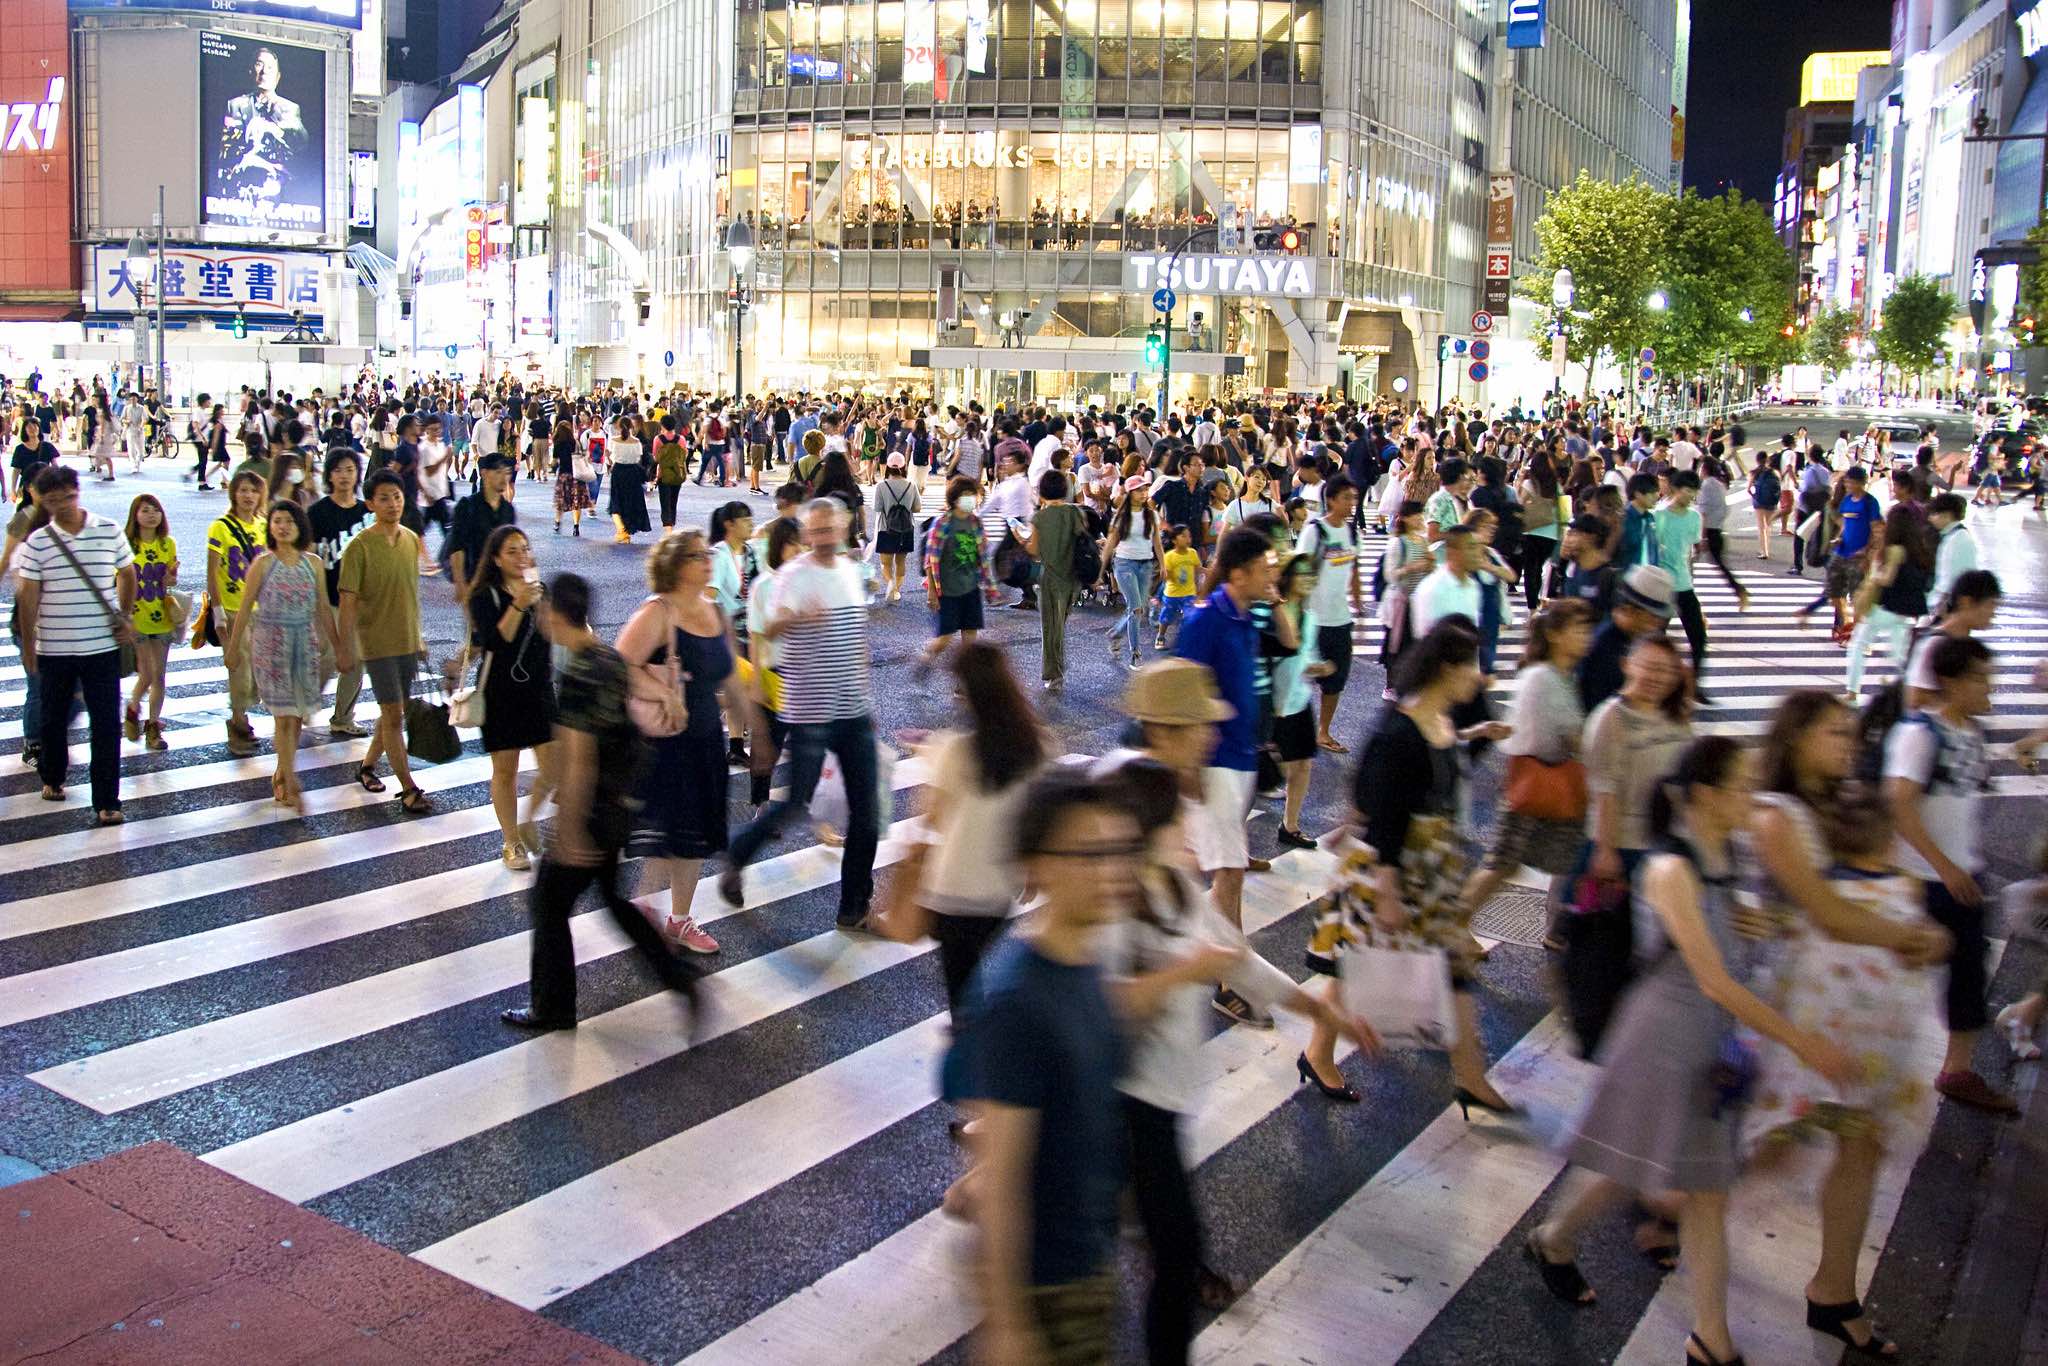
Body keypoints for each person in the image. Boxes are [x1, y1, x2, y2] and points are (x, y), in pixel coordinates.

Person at [1526, 737, 1855, 1366]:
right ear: (1704, 795)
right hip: (1665, 1037)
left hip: (1711, 1038)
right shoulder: (1671, 868)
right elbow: (1711, 977)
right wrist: (1802, 1043)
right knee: (1632, 1163)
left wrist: (1755, 925)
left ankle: (1709, 1335)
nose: (1750, 797)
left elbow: (1725, 948)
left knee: (1699, 1185)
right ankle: (1557, 1241)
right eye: (1740, 785)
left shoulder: (1724, 853)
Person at [1096, 750, 1376, 1363]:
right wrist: (1184, 973)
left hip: (1158, 1101)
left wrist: (1320, 1011)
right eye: (1179, 821)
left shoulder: (1171, 887)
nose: (1191, 833)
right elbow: (1109, 1009)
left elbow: (1235, 957)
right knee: (1161, 1246)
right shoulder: (1113, 907)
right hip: (1126, 1103)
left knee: (1137, 1224)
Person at [955, 768, 1139, 1366]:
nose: (1113, 871)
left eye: (1118, 851)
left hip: (1088, 1260)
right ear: (1037, 865)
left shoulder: (1083, 960)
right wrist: (1009, 1323)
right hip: (1049, 1287)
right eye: (1090, 855)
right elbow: (1000, 1179)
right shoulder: (1018, 999)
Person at [1302, 616, 1514, 1110]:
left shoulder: (1438, 722)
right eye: (1472, 667)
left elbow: (1429, 773)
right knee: (1353, 968)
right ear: (1447, 668)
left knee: (1443, 966)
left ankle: (1469, 1075)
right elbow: (1386, 816)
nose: (1478, 677)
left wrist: (1478, 732)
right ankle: (1319, 1052)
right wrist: (1390, 892)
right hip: (1394, 872)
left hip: (1429, 869)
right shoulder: (1402, 729)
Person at [501, 571, 702, 1032]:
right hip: (618, 804)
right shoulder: (607, 657)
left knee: (548, 904)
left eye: (541, 612)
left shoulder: (577, 674)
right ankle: (678, 976)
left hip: (591, 811)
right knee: (612, 899)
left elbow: (578, 760)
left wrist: (567, 827)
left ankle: (553, 1007)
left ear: (553, 615)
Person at [719, 499, 881, 930]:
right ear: (808, 533)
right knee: (797, 803)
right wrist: (790, 620)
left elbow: (858, 635)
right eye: (818, 529)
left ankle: (854, 906)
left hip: (852, 708)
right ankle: (739, 852)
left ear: (844, 529)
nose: (826, 536)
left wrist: (866, 695)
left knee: (867, 813)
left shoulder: (850, 570)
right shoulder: (792, 576)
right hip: (810, 706)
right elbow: (768, 630)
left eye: (833, 528)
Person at [874, 642, 1046, 1009]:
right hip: (1001, 890)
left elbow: (934, 815)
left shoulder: (955, 750)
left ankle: (973, 1049)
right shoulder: (1038, 747)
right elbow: (1040, 814)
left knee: (962, 985)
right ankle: (977, 1038)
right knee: (972, 972)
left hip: (951, 891)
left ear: (967, 694)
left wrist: (929, 753)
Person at [1885, 634, 2012, 1113]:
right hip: (1922, 881)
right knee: (1900, 974)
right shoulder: (1921, 733)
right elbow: (1898, 802)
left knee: (1967, 973)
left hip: (1960, 876)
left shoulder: (1968, 734)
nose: (1989, 688)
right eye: (1981, 679)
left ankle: (1956, 1071)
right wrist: (1943, 867)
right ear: (1951, 681)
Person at [1175, 528, 1276, 1026]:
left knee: (1224, 873)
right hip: (1212, 766)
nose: (1271, 573)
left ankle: (1213, 960)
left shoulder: (1245, 616)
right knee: (1228, 874)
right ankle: (1227, 981)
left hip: (1239, 761)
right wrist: (1189, 770)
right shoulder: (1207, 619)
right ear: (1239, 572)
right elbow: (1180, 693)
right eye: (1265, 566)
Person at [620, 531, 739, 953]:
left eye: (707, 554)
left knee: (694, 835)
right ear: (674, 565)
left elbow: (730, 674)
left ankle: (676, 919)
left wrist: (752, 728)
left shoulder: (715, 611)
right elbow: (619, 665)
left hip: (706, 740)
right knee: (669, 831)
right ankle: (648, 910)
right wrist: (664, 693)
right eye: (696, 556)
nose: (706, 561)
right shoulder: (658, 613)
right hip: (666, 744)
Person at [14, 465, 136, 825]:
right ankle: (52, 776)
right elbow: (28, 597)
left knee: (106, 724)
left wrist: (125, 614)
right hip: (55, 648)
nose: (61, 506)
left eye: (66, 497)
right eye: (52, 501)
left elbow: (127, 572)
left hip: (101, 647)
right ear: (43, 502)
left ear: (77, 492)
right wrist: (28, 643)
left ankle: (107, 800)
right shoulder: (37, 543)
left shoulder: (108, 531)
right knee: (52, 720)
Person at [1461, 599, 1594, 922]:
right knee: (1499, 864)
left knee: (1504, 864)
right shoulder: (1544, 678)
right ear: (1555, 635)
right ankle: (1449, 928)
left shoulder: (1559, 675)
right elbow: (1571, 736)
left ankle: (1453, 927)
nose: (1587, 635)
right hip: (1535, 783)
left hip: (1537, 781)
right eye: (1579, 629)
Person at [227, 499, 338, 812]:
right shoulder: (263, 563)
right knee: (283, 716)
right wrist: (234, 649)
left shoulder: (312, 563)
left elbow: (322, 608)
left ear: (299, 526)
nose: (283, 526)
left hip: (304, 643)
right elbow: (246, 607)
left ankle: (282, 772)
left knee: (297, 716)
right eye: (277, 520)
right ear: (270, 527)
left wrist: (337, 645)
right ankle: (291, 780)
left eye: (289, 520)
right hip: (271, 645)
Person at [464, 525, 557, 871]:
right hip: (502, 691)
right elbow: (496, 641)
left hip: (539, 688)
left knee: (553, 767)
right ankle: (511, 842)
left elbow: (549, 635)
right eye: (512, 551)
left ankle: (529, 821)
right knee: (506, 770)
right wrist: (518, 605)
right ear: (496, 559)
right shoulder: (484, 596)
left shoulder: (539, 589)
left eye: (525, 549)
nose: (522, 557)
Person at [337, 469, 430, 814]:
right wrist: (345, 647)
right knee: (392, 714)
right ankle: (408, 787)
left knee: (394, 711)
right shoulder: (358, 547)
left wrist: (418, 636)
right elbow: (347, 602)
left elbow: (411, 594)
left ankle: (366, 766)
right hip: (376, 644)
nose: (393, 504)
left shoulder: (409, 540)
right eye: (384, 498)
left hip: (406, 639)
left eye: (397, 496)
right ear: (370, 504)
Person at [1293, 474, 1360, 755]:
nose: (1351, 503)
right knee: (1296, 677)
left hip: (1340, 619)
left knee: (1335, 681)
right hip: (1313, 618)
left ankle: (1323, 732)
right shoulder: (1315, 532)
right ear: (1331, 500)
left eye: (1354, 498)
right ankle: (1283, 731)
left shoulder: (1352, 532)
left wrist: (1357, 597)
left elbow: (1354, 566)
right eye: (1346, 498)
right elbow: (1298, 572)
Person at [308, 449, 372, 738]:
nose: (345, 476)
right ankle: (307, 701)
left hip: (360, 598)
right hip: (328, 597)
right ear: (329, 475)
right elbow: (309, 556)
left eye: (350, 470)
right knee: (328, 654)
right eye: (339, 470)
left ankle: (343, 717)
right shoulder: (318, 512)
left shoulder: (366, 513)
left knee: (356, 658)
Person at [1267, 553, 1328, 847]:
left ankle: (1289, 826)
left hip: (1299, 701)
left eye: (1311, 575)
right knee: (1265, 772)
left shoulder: (1310, 617)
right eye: (1302, 573)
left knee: (1302, 765)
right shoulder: (1270, 612)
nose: (1308, 580)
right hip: (1272, 705)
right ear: (1288, 576)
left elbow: (1307, 656)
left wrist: (1318, 666)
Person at [208, 471, 269, 758]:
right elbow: (212, 573)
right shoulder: (220, 527)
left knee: (255, 669)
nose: (248, 496)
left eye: (253, 491)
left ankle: (241, 716)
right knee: (239, 669)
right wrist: (217, 610)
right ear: (233, 493)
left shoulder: (263, 524)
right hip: (233, 609)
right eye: (243, 490)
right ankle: (238, 722)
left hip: (259, 608)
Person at [1844, 503, 1933, 700]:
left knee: (1858, 644)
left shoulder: (1893, 549)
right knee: (1900, 654)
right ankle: (1913, 690)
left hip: (1883, 608)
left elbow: (1887, 579)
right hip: (1903, 610)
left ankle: (1852, 692)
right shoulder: (1916, 548)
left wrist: (1875, 574)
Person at [1576, 564, 1676, 713]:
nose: (1658, 625)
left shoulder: (1634, 639)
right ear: (1631, 611)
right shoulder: (1604, 650)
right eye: (1653, 618)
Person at [121, 493, 179, 751]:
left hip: (162, 616)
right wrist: (126, 616)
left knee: (160, 676)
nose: (152, 514)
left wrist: (170, 579)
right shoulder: (127, 546)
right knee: (147, 674)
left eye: (156, 510)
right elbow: (120, 582)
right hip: (138, 616)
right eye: (145, 510)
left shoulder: (168, 544)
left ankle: (153, 725)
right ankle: (133, 708)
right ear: (135, 515)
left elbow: (171, 581)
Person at [1022, 470, 1089, 691]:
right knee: (1059, 625)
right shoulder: (1075, 513)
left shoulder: (1039, 518)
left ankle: (1054, 673)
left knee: (1051, 628)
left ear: (1042, 492)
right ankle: (1056, 669)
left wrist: (1019, 537)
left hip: (1050, 578)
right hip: (1073, 578)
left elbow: (1033, 550)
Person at [921, 476, 995, 667]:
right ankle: (927, 657)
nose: (972, 499)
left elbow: (983, 557)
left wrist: (990, 587)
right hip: (947, 591)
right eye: (967, 495)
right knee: (944, 638)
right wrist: (932, 591)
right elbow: (930, 558)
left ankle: (964, 686)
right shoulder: (943, 523)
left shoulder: (976, 523)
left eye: (974, 494)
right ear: (955, 498)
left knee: (970, 640)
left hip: (970, 588)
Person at [1101, 474, 1163, 665]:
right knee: (1136, 608)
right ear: (1130, 493)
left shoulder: (1151, 515)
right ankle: (1135, 654)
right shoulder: (1121, 516)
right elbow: (1111, 544)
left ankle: (1115, 634)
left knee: (1137, 609)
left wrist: (1163, 564)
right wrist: (1100, 571)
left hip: (1146, 564)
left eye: (1145, 489)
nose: (1144, 493)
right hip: (1124, 564)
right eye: (1139, 490)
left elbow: (1157, 543)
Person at [871, 452, 919, 603]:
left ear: (888, 467)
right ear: (904, 466)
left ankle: (890, 583)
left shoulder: (881, 486)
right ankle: (897, 590)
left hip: (886, 529)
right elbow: (917, 508)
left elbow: (877, 507)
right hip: (906, 528)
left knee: (885, 563)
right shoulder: (911, 485)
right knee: (900, 562)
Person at [1927, 492, 1978, 606]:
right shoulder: (1952, 536)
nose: (1930, 518)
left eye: (1934, 514)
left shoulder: (1958, 539)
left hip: (1949, 605)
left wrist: (1938, 608)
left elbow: (1950, 580)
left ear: (1947, 515)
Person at [606, 418, 652, 543]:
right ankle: (626, 531)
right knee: (630, 501)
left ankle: (621, 531)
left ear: (619, 427)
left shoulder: (613, 441)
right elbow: (638, 458)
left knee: (616, 502)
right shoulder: (636, 441)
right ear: (632, 427)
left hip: (618, 472)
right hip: (633, 473)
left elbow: (610, 457)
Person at [552, 419, 592, 535]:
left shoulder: (558, 444)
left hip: (564, 475)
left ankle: (557, 522)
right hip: (577, 474)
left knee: (561, 501)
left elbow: (554, 461)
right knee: (576, 502)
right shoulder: (575, 442)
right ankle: (576, 527)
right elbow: (581, 455)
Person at [652, 414, 688, 529]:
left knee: (664, 501)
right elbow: (684, 455)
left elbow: (655, 457)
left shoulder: (658, 439)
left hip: (663, 474)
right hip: (678, 474)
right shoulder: (681, 439)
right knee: (674, 500)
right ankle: (672, 522)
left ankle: (667, 526)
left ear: (662, 425)